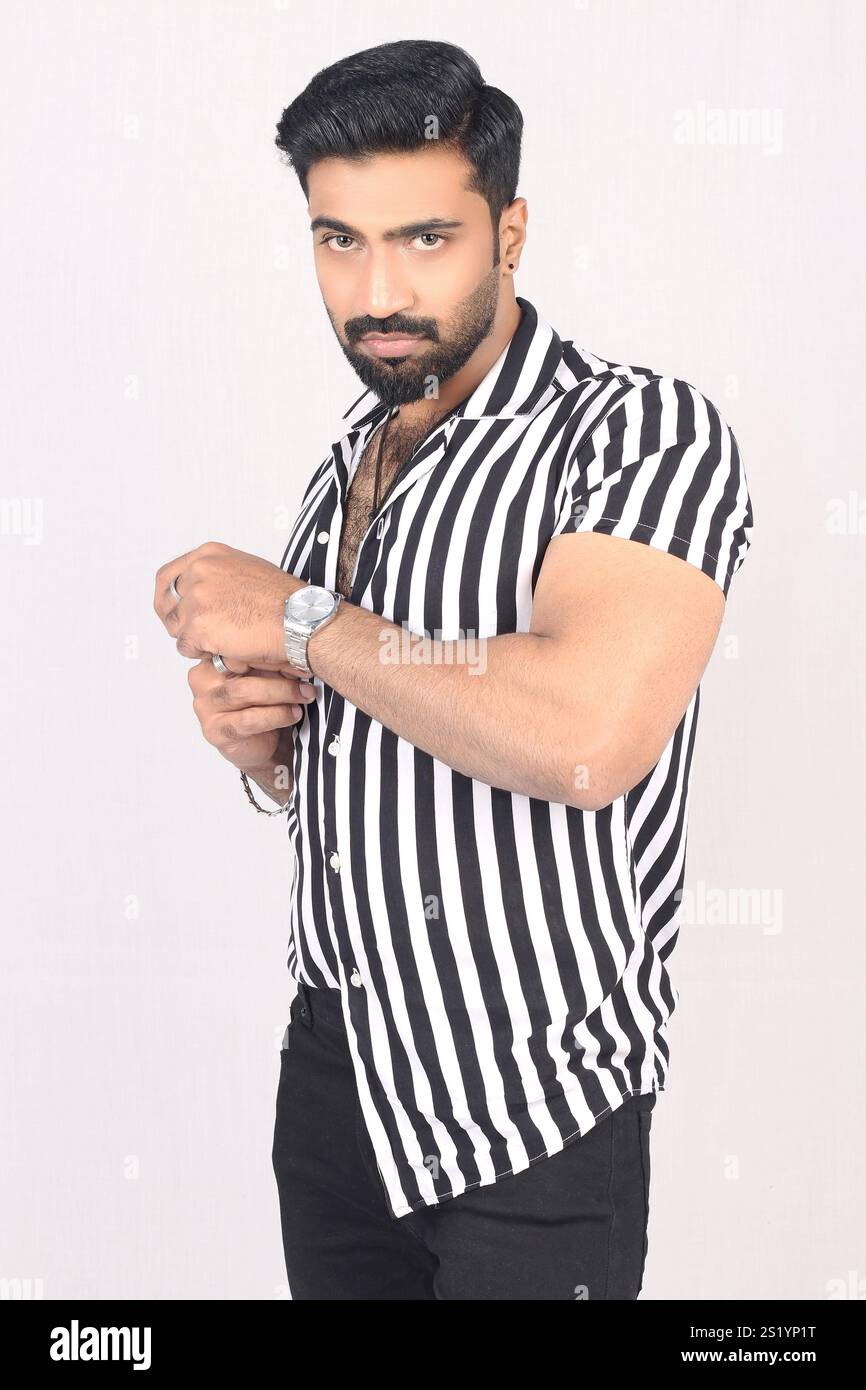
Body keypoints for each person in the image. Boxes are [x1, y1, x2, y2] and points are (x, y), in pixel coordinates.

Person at [154, 39, 754, 1300]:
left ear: (509, 227)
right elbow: (385, 705)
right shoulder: (354, 457)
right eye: (338, 241)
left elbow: (585, 733)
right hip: (334, 1077)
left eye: (425, 239)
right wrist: (265, 743)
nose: (376, 291)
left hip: (528, 1097)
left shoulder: (635, 430)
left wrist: (304, 617)